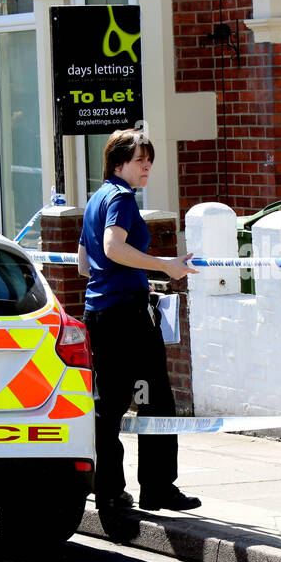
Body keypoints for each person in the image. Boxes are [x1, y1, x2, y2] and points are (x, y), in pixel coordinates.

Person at [76, 128, 201, 513]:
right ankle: (158, 488)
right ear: (119, 163)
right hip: (127, 315)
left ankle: (109, 490)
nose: (146, 166)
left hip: (99, 312)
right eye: (139, 160)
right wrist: (163, 266)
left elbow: (84, 263)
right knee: (157, 399)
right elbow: (114, 247)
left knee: (108, 404)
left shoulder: (97, 199)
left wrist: (123, 275)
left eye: (149, 160)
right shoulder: (122, 199)